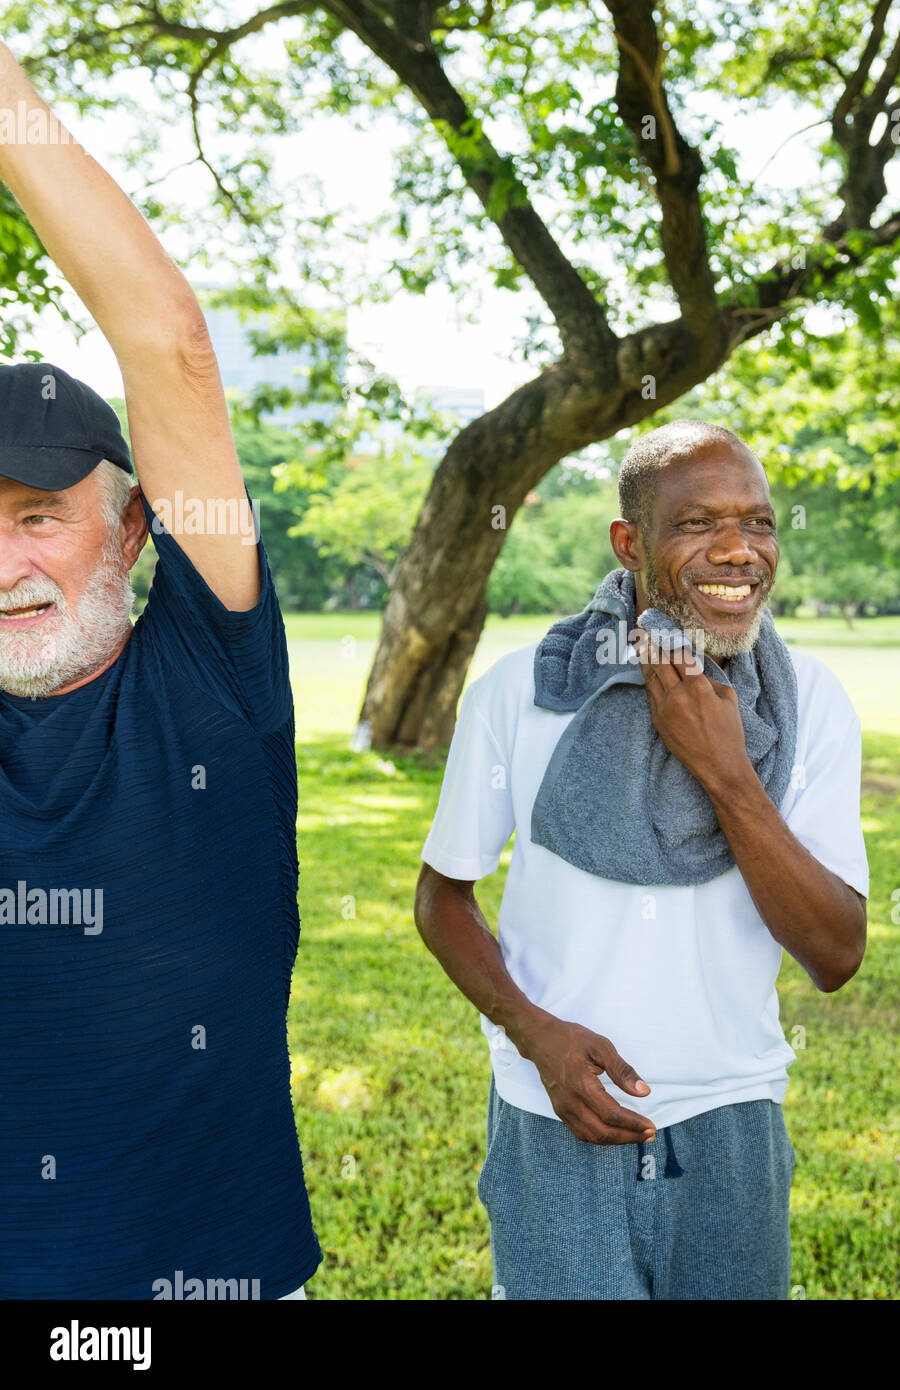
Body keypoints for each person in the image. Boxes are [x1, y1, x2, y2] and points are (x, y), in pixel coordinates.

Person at [0, 44, 319, 1298]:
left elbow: (167, 341)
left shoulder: (212, 678)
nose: (5, 560)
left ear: (133, 530)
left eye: (37, 514)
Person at [414, 420, 868, 1300]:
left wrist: (728, 775)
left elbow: (836, 953)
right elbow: (442, 900)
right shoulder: (522, 694)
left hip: (733, 1119)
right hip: (552, 1115)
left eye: (760, 524)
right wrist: (534, 1034)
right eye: (698, 524)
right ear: (632, 543)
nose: (738, 552)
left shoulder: (812, 702)